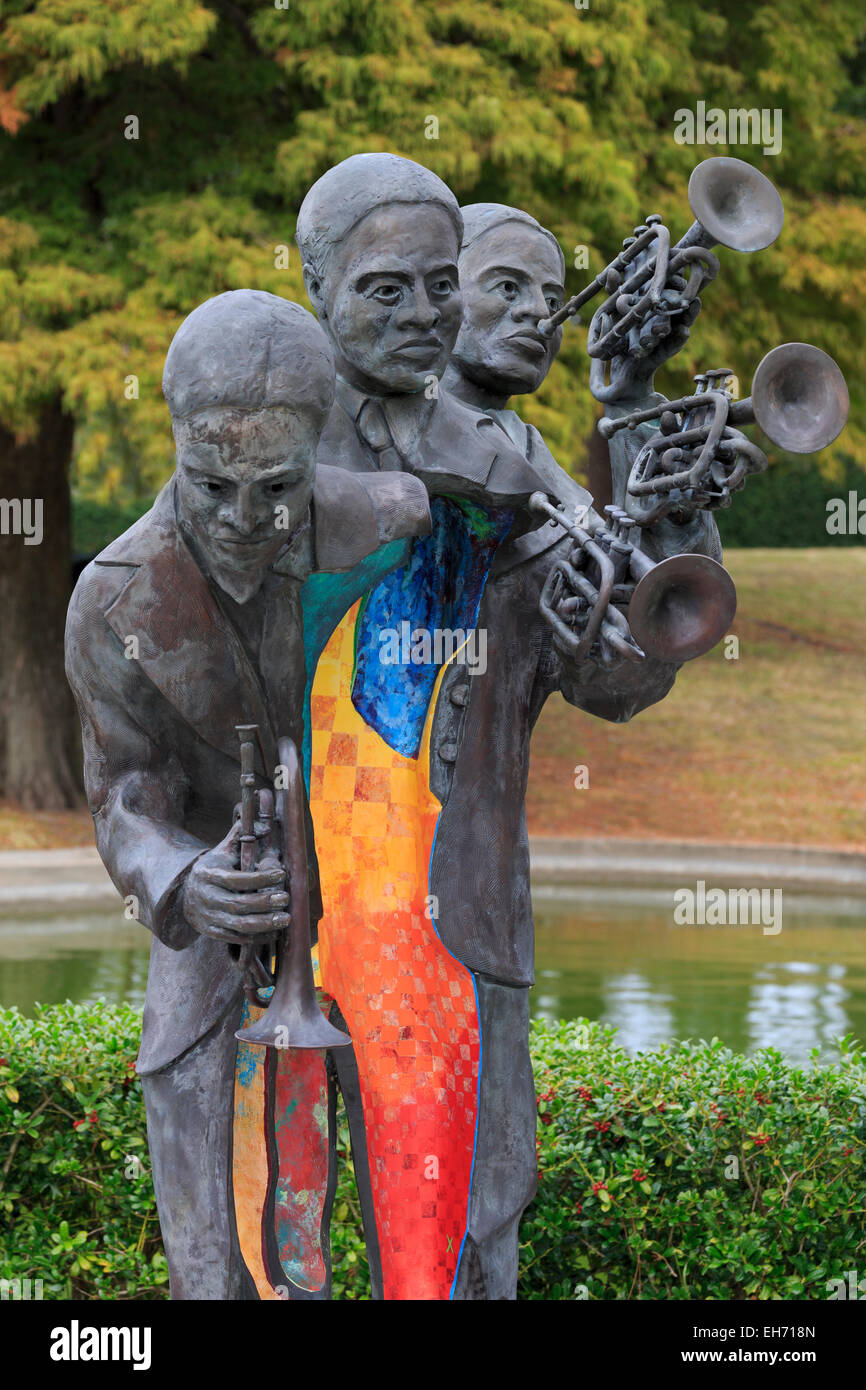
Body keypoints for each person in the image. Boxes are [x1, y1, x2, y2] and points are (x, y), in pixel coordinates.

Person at [293, 158, 707, 1299]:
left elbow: (625, 674)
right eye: (504, 286)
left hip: (466, 915)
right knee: (301, 1218)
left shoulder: (531, 474)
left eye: (549, 293)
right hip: (301, 909)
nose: (534, 312)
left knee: (476, 1221)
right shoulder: (319, 428)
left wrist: (634, 418)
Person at [64, 289, 431, 1299]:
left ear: (318, 453)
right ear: (174, 442)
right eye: (208, 483)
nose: (238, 520)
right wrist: (182, 880)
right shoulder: (113, 598)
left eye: (274, 486)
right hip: (218, 923)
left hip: (375, 911)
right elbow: (122, 795)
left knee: (420, 1199)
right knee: (203, 1214)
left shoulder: (389, 524)